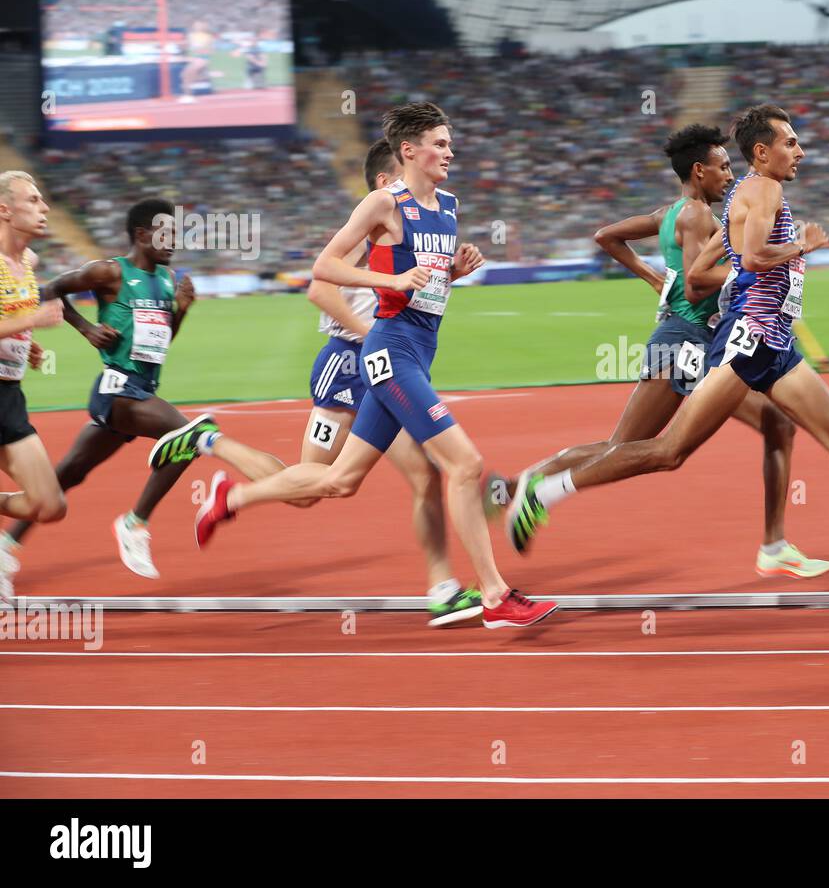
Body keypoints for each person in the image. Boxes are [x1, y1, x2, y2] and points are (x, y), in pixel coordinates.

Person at [506, 104, 829, 608]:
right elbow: (751, 259)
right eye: (790, 143)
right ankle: (544, 492)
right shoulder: (763, 190)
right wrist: (800, 248)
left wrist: (750, 272)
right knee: (667, 452)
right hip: (747, 339)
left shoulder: (736, 199)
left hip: (773, 342)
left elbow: (712, 268)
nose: (800, 151)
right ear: (762, 151)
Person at [177, 101, 556, 628]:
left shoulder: (448, 206)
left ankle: (233, 496)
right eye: (440, 144)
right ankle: (494, 594)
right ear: (409, 151)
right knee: (464, 466)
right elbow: (323, 268)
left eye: (449, 143)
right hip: (387, 351)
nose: (450, 151)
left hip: (418, 351)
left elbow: (426, 281)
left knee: (340, 480)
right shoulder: (383, 202)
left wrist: (454, 271)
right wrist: (391, 282)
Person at [491, 123, 829, 579]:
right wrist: (752, 273)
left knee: (629, 446)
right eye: (723, 167)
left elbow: (606, 237)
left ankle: (524, 485)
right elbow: (694, 287)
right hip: (686, 342)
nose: (730, 177)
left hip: (684, 340)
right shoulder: (696, 216)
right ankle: (534, 489)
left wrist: (654, 277)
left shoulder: (668, 213)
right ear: (699, 170)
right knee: (666, 448)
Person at [0, 199, 290, 579]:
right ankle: (134, 524)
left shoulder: (167, 281)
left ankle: (7, 546)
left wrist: (181, 310)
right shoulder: (108, 273)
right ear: (141, 234)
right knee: (186, 437)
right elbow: (50, 290)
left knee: (70, 472)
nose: (174, 242)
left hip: (142, 387)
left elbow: (160, 345)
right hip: (115, 389)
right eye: (166, 234)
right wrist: (87, 329)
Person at [303, 138, 464, 625]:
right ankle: (214, 449)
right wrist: (372, 331)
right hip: (346, 365)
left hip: (382, 365)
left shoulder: (409, 228)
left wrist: (447, 275)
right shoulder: (374, 225)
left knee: (418, 474)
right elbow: (318, 286)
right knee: (311, 488)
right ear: (385, 182)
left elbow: (420, 286)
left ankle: (442, 586)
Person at [0, 171, 68, 605]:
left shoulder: (28, 263)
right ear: (5, 210)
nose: (44, 208)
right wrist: (33, 322)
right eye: (34, 200)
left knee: (50, 504)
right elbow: (21, 316)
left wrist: (29, 345)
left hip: (8, 395)